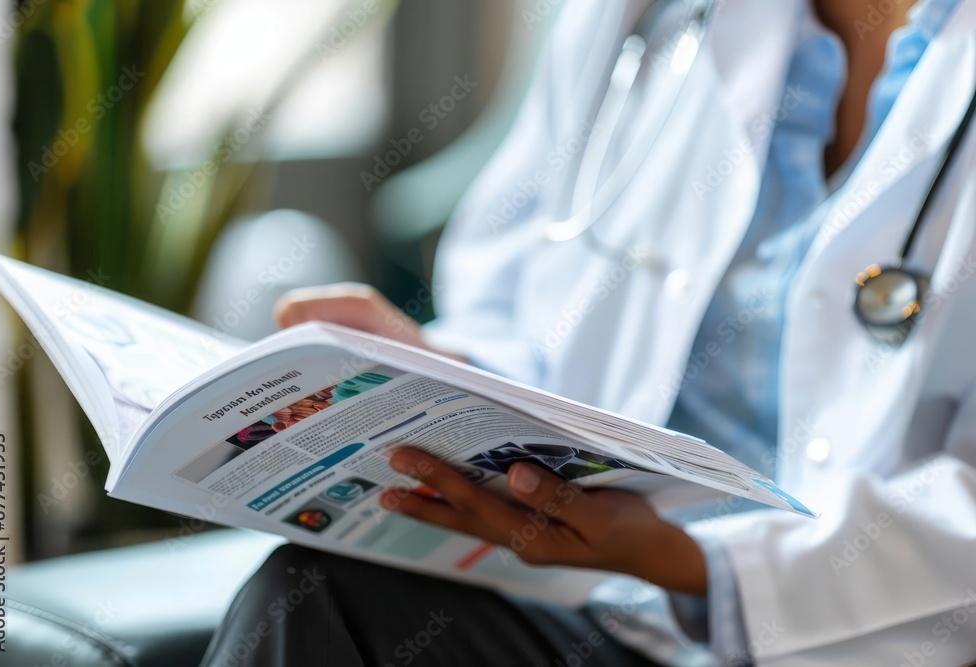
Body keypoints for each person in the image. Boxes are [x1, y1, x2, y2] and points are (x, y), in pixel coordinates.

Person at [200, 0, 976, 664]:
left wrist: (689, 558)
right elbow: (512, 301)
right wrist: (440, 371)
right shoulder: (642, 16)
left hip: (885, 639)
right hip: (617, 613)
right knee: (316, 605)